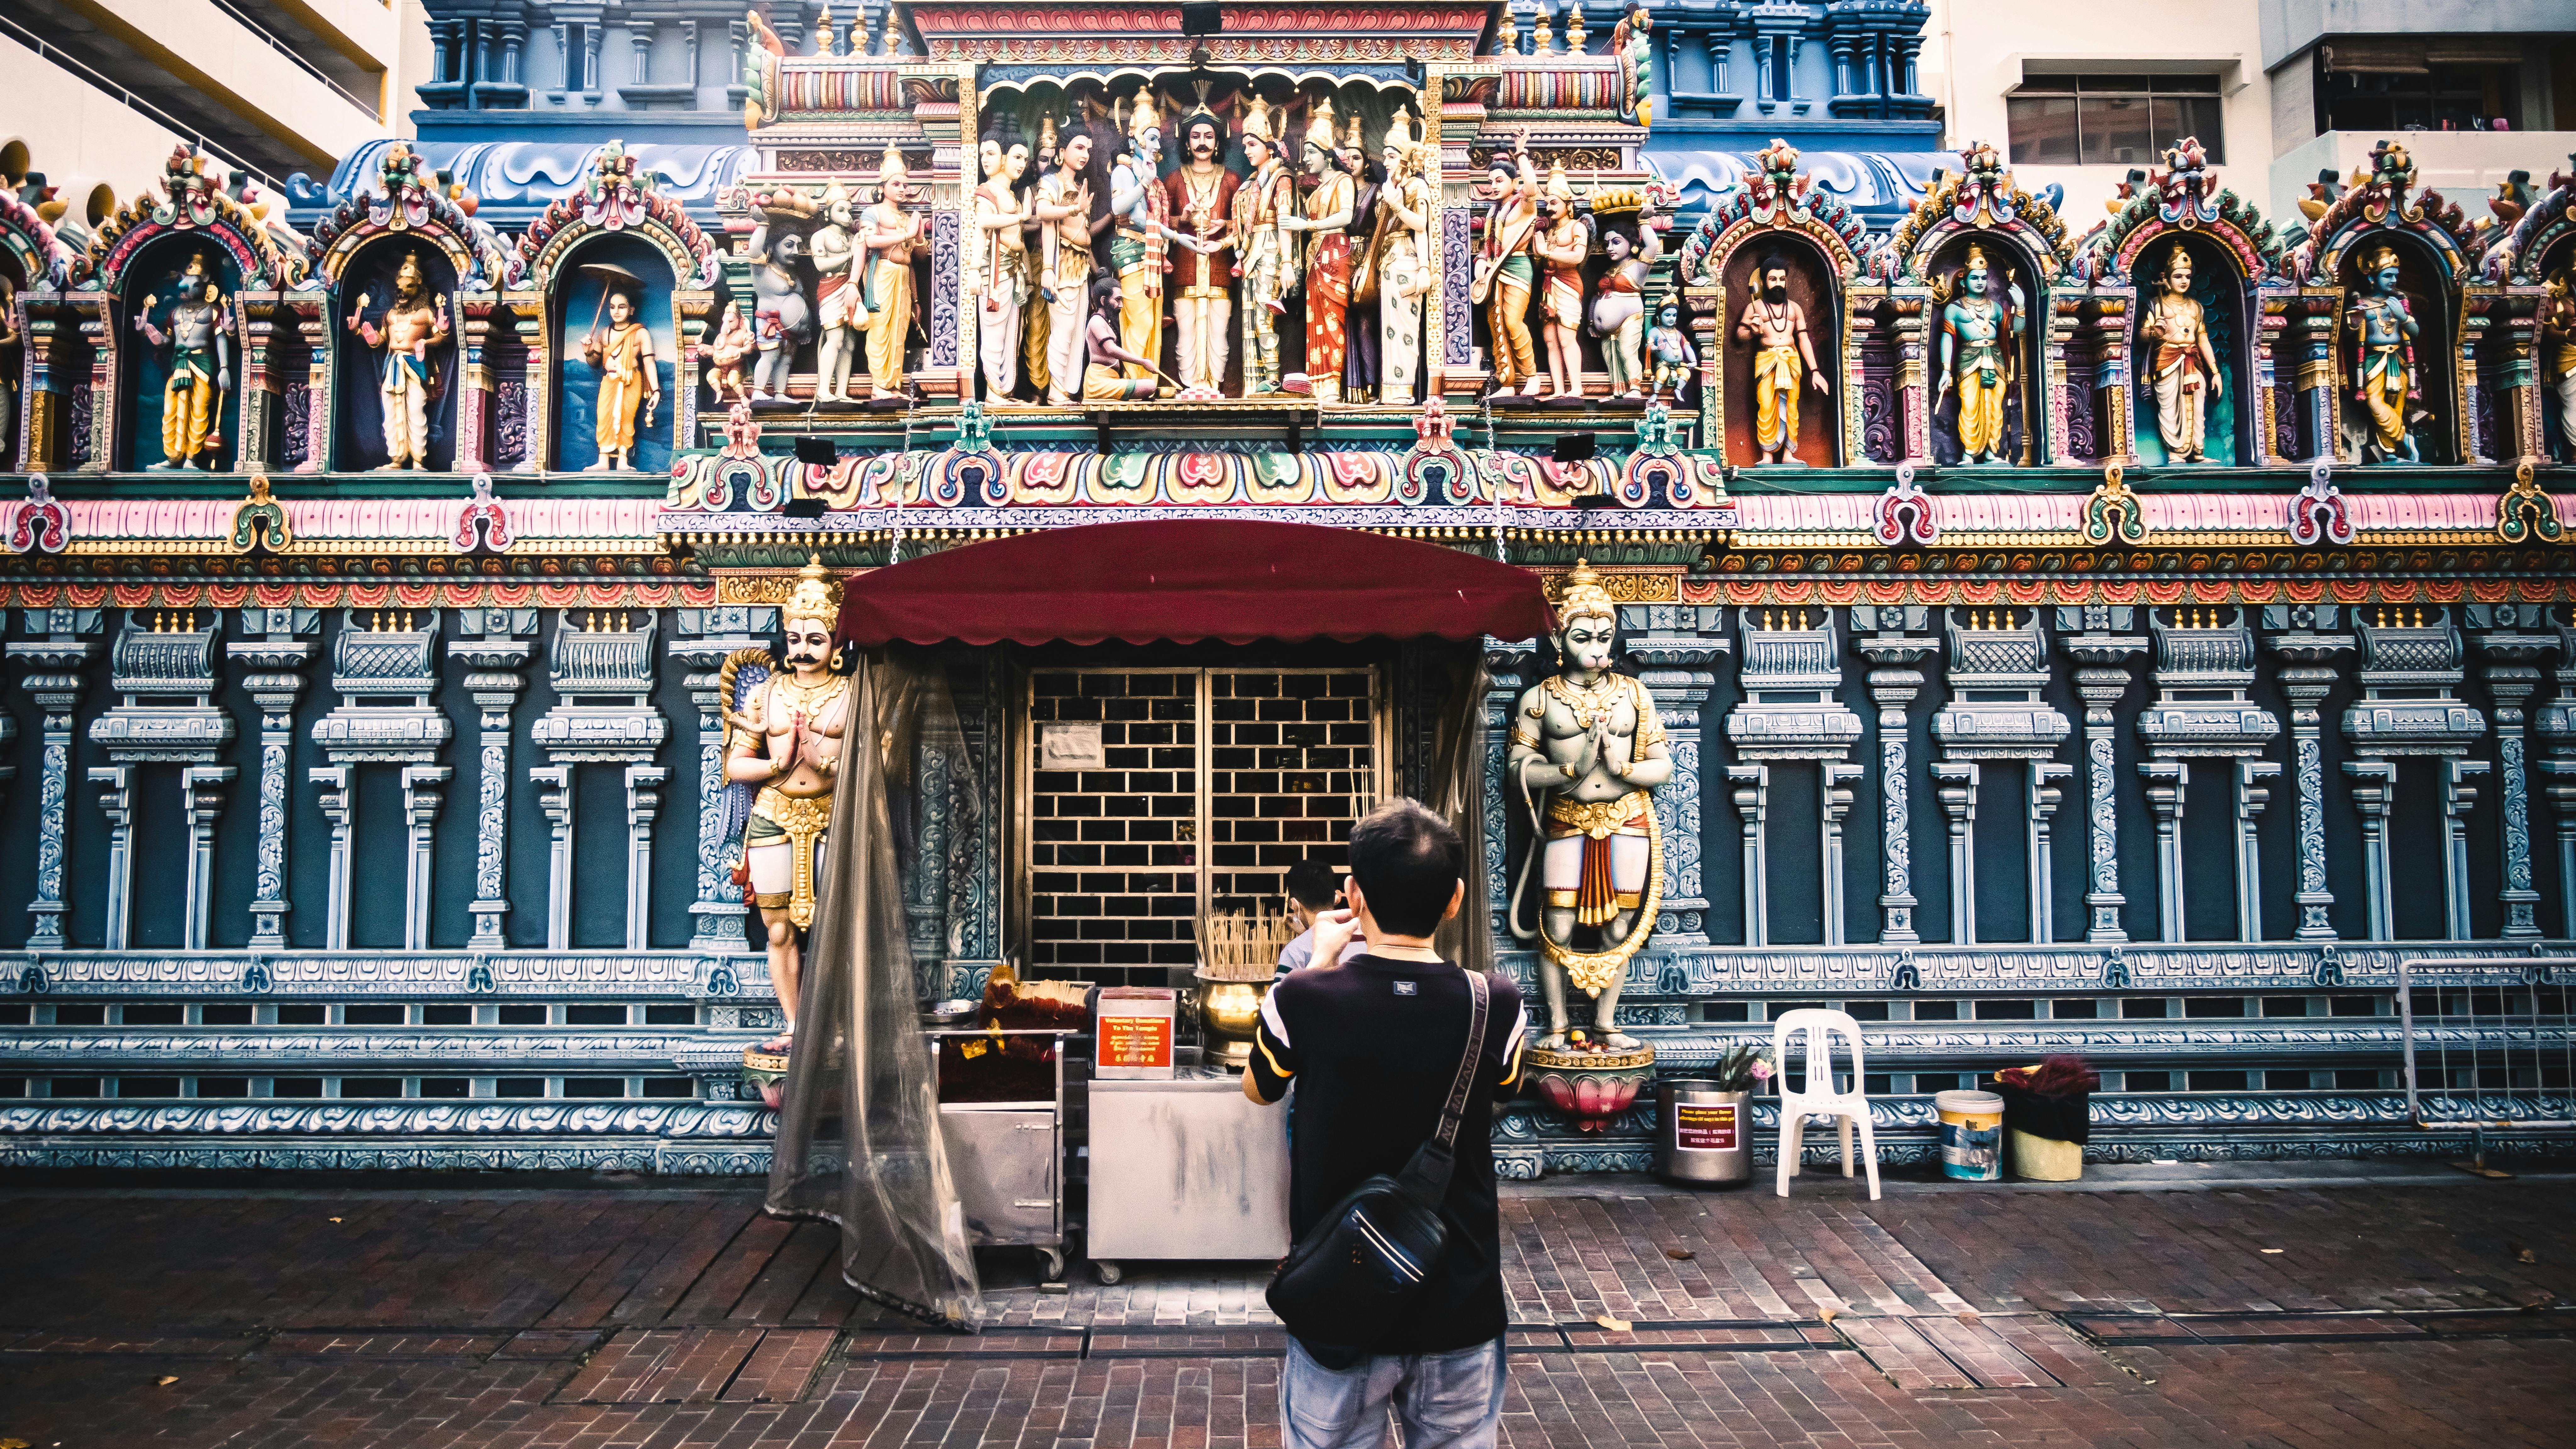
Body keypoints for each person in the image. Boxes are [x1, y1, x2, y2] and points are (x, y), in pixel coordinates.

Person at [1245, 800, 1527, 1449]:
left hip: (1341, 1299)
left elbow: (1259, 1088)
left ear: (1353, 895)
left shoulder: (1303, 996)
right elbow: (1506, 1087)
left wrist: (1318, 963)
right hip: (1459, 1300)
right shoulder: (1496, 1002)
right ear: (1455, 900)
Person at [1274, 857, 1348, 975]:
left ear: (1295, 905)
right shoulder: (1361, 938)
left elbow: (1280, 988)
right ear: (1336, 898)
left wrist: (1304, 938)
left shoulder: (1295, 951)